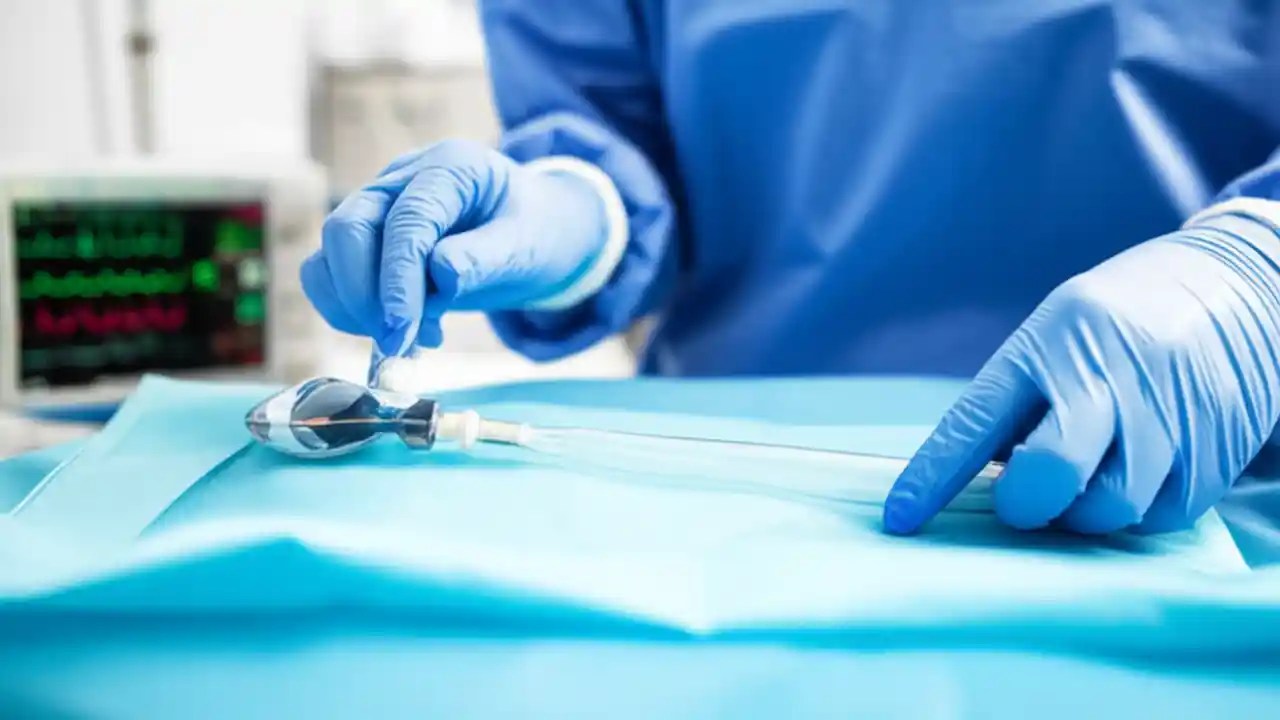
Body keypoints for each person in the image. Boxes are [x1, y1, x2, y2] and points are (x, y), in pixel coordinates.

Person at [301, 1, 1280, 539]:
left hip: (1191, 474)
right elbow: (615, 125)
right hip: (726, 504)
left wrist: (1253, 267)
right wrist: (570, 209)